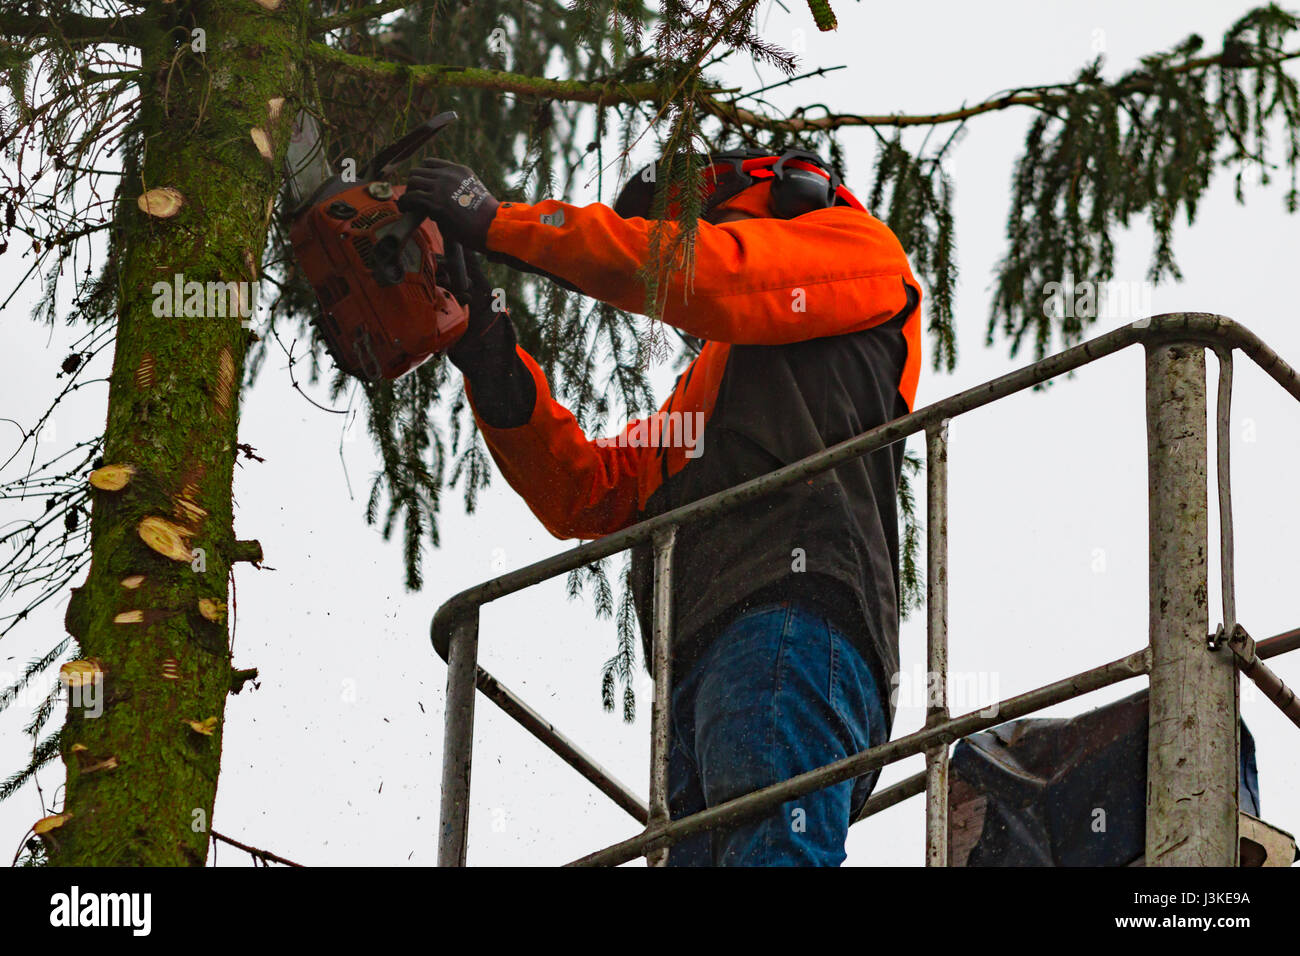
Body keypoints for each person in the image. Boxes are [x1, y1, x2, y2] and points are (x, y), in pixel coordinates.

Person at [400, 147, 923, 866]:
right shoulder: (707, 393)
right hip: (706, 671)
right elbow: (584, 489)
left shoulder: (858, 251)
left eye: (681, 226)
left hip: (794, 624)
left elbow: (719, 274)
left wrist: (503, 224)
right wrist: (489, 349)